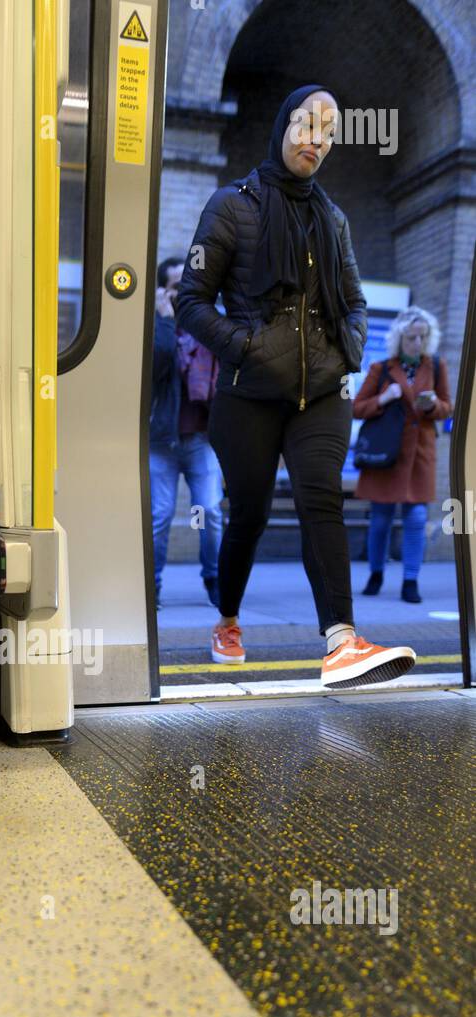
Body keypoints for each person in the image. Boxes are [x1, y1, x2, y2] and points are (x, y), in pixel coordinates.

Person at [175, 84, 416, 688]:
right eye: (308, 125)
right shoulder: (231, 206)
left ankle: (340, 641)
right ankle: (227, 618)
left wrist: (350, 348)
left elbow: (355, 301)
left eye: (329, 132)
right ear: (284, 125)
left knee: (320, 500)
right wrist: (247, 347)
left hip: (323, 393)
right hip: (248, 394)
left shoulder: (333, 219)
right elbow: (190, 301)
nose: (318, 140)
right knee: (249, 514)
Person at [354, 308, 452, 603]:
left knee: (417, 517)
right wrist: (385, 398)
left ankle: (411, 580)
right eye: (412, 337)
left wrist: (432, 406)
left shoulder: (435, 366)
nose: (418, 342)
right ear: (400, 338)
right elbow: (357, 408)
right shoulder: (381, 368)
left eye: (423, 336)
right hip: (387, 455)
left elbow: (448, 406)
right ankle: (376, 573)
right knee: (381, 520)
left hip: (419, 454)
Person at [149, 257, 224, 610]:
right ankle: (153, 587)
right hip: (161, 441)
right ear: (164, 290)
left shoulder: (210, 324)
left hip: (201, 440)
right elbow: (158, 364)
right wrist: (163, 318)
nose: (185, 292)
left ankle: (215, 578)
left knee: (208, 511)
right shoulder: (154, 327)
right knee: (160, 515)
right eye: (177, 286)